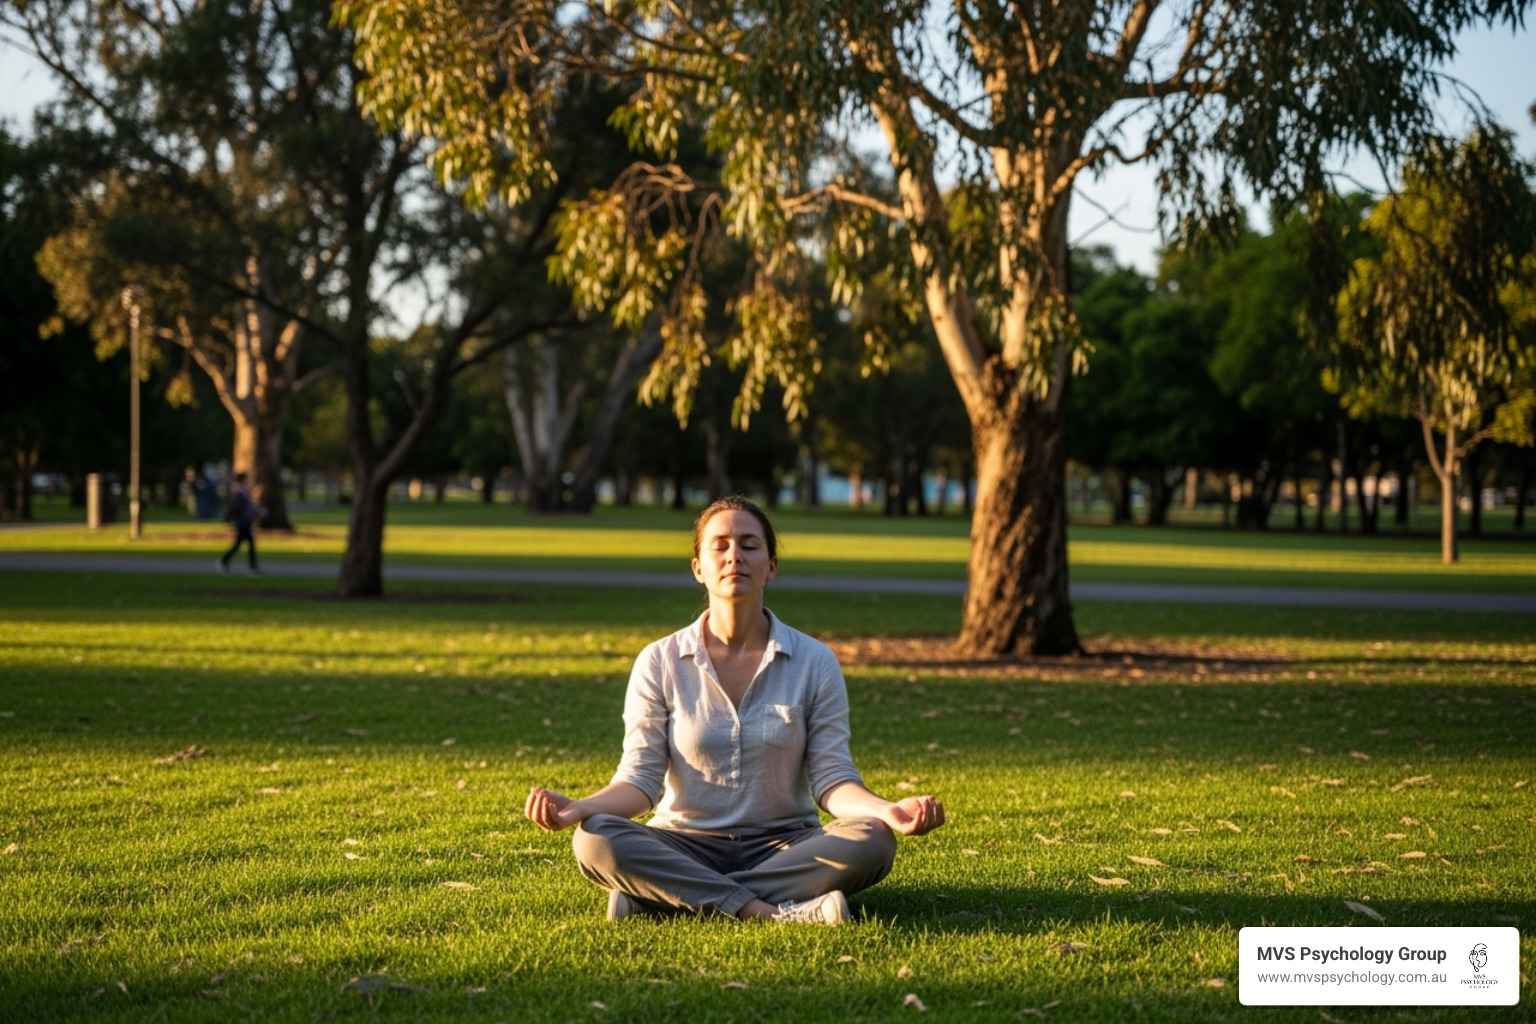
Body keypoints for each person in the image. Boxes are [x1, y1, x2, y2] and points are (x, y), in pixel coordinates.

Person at [525, 495, 945, 924]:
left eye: (749, 545)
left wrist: (885, 810)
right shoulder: (659, 660)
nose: (734, 557)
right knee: (595, 838)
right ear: (698, 568)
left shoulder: (815, 661)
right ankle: (767, 911)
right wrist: (581, 807)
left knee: (874, 839)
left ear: (771, 565)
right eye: (720, 545)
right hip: (683, 843)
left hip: (786, 845)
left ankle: (666, 896)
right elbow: (640, 780)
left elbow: (832, 779)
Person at [217, 472, 265, 574]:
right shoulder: (239, 493)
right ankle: (251, 566)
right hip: (242, 522)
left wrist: (259, 511)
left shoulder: (243, 492)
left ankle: (225, 561)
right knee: (247, 543)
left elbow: (251, 506)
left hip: (245, 521)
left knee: (241, 544)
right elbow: (242, 508)